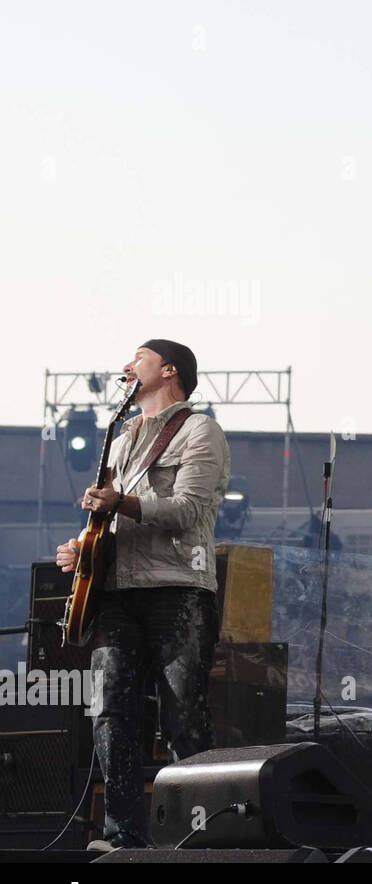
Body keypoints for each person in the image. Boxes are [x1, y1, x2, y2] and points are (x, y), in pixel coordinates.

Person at [55, 340, 231, 850]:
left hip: (177, 590)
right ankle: (123, 837)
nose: (127, 367)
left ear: (169, 370)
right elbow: (107, 519)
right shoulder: (119, 438)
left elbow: (188, 513)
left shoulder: (201, 431)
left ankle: (203, 837)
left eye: (139, 358)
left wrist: (123, 501)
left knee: (183, 716)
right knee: (110, 710)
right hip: (116, 593)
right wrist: (81, 547)